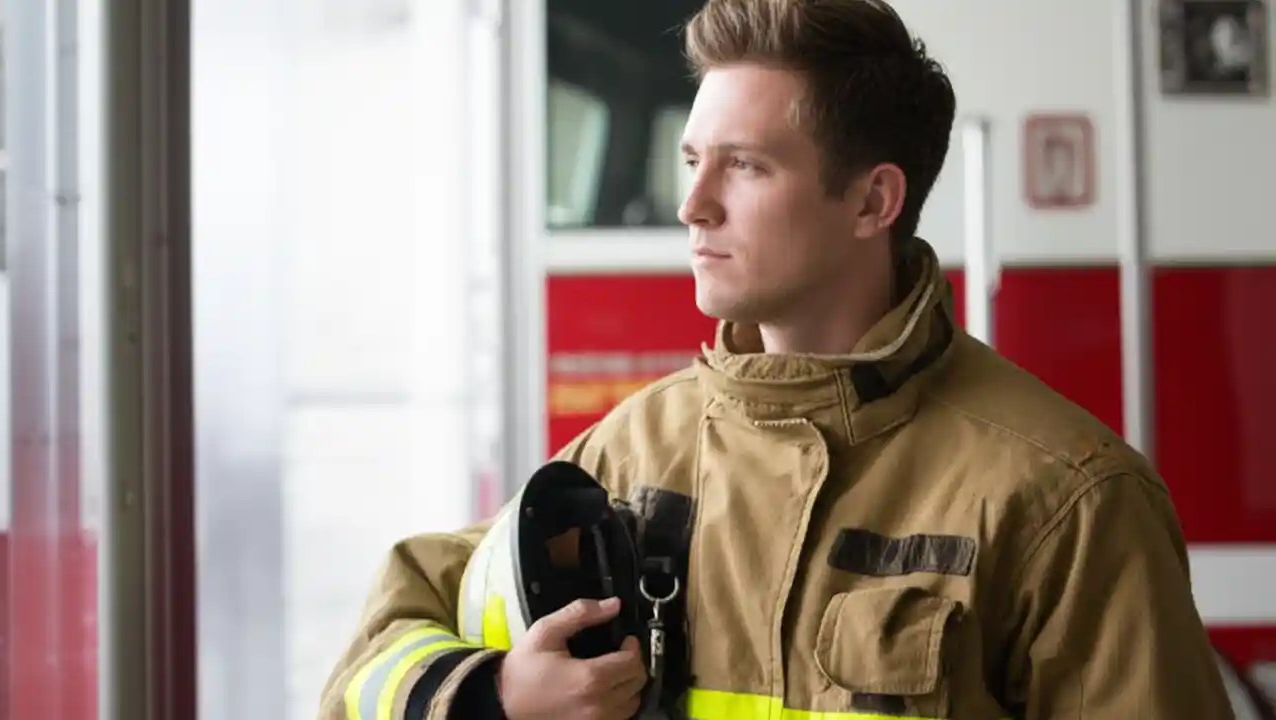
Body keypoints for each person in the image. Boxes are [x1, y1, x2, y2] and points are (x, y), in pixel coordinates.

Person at [319, 1, 1233, 718]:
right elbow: (375, 653)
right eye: (691, 161)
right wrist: (498, 696)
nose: (693, 206)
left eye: (746, 167)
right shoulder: (627, 459)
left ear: (873, 200)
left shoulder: (1066, 503)